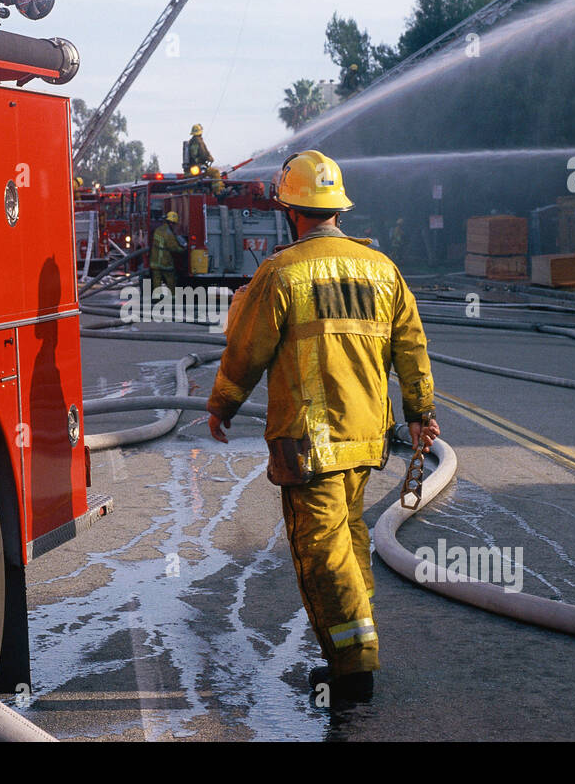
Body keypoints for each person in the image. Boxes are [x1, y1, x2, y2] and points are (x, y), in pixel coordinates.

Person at [205, 150, 439, 703]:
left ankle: (352, 670)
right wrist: (420, 412)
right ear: (337, 208)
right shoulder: (383, 270)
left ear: (291, 210)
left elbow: (247, 350)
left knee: (322, 553)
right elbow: (412, 346)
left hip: (310, 444)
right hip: (365, 439)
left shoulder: (282, 272)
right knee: (350, 539)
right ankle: (357, 650)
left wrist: (222, 405)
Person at [150, 210, 185, 295]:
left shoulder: (158, 230)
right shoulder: (169, 233)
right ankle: (172, 298)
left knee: (156, 281)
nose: (174, 225)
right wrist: (183, 250)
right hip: (165, 261)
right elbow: (173, 247)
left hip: (155, 261)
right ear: (171, 223)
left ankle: (156, 297)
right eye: (174, 223)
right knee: (170, 280)